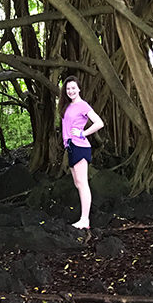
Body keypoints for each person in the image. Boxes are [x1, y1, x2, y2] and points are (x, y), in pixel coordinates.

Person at [59, 75, 104, 229]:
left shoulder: (83, 105)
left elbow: (99, 123)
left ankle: (85, 220)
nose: (71, 91)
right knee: (77, 183)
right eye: (68, 88)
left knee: (83, 183)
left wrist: (83, 133)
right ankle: (83, 218)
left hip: (80, 146)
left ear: (79, 88)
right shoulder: (67, 106)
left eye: (73, 88)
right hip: (71, 147)